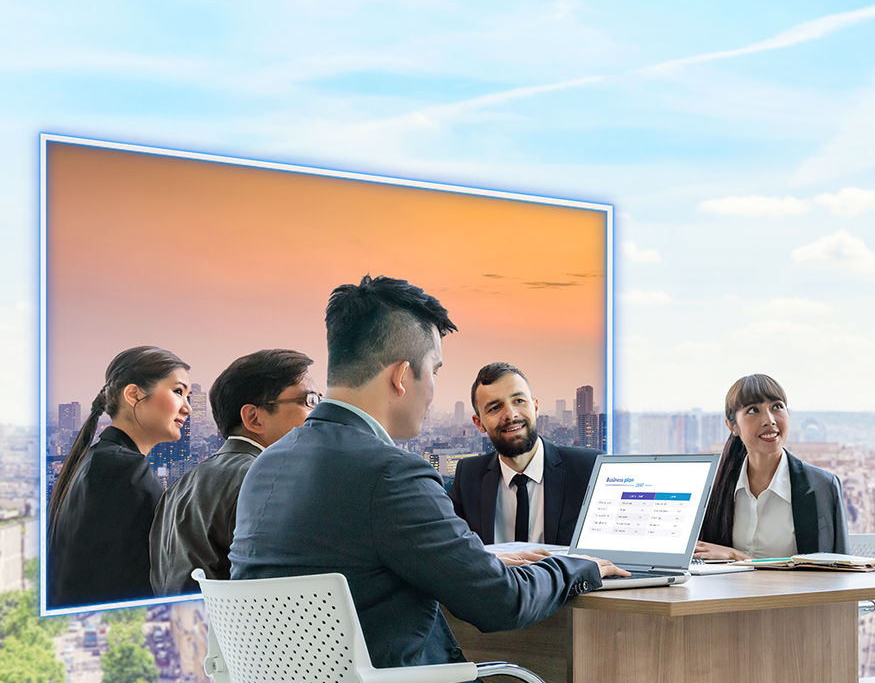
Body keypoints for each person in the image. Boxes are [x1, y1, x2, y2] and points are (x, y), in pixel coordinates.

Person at [229, 275, 625, 669]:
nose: (434, 387)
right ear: (401, 377)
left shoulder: (266, 466)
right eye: (434, 370)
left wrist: (480, 561)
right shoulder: (391, 474)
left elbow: (360, 563)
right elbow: (501, 604)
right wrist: (579, 565)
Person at [149, 348, 317, 596]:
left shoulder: (178, 487)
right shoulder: (266, 481)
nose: (319, 413)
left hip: (185, 629)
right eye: (309, 401)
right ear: (254, 418)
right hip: (241, 633)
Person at [47, 345, 191, 608]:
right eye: (178, 392)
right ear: (134, 394)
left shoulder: (95, 459)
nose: (187, 408)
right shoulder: (123, 469)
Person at [693, 374, 848, 561]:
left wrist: (738, 557)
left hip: (799, 591)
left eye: (777, 407)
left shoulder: (822, 486)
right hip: (727, 591)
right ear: (732, 426)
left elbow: (839, 571)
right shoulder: (715, 486)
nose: (769, 420)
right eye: (753, 410)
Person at [449, 362, 600, 546]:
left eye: (519, 401)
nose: (511, 415)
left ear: (535, 407)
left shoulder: (589, 468)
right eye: (495, 408)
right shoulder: (468, 476)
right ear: (479, 423)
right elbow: (453, 550)